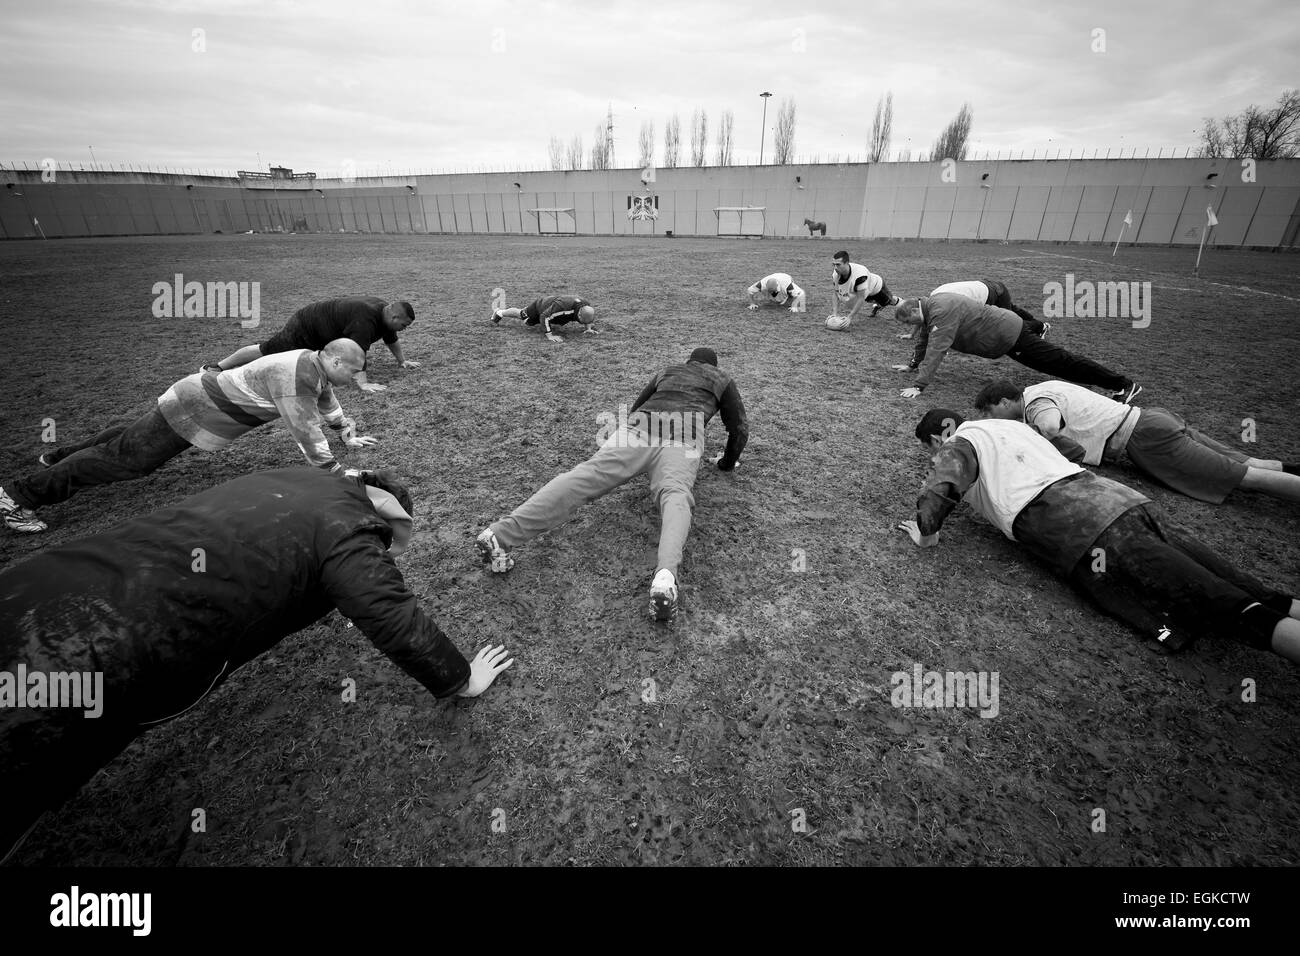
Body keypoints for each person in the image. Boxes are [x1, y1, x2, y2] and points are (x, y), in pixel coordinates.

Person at [0, 466, 513, 862]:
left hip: (43, 581)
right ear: (385, 515)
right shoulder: (348, 527)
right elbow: (390, 615)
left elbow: (266, 545)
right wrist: (460, 679)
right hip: (97, 648)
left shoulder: (293, 482)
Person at [898, 409, 1300, 665]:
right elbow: (1070, 447)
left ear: (940, 435)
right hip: (1117, 496)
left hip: (1084, 524)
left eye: (932, 447)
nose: (935, 453)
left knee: (1225, 603)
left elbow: (942, 484)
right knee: (1241, 583)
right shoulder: (1009, 425)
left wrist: (927, 534)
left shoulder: (959, 442)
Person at [475, 347, 748, 622]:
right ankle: (665, 577)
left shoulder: (668, 371)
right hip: (684, 438)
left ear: (689, 361)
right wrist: (727, 463)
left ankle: (501, 534)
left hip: (638, 429)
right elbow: (739, 429)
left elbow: (637, 407)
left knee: (585, 475)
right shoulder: (721, 378)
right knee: (675, 495)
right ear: (713, 365)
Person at [1, 340, 378, 533]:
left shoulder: (313, 364)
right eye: (355, 372)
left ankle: (57, 456)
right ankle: (19, 497)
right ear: (335, 361)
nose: (357, 378)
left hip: (193, 396)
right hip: (197, 409)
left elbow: (325, 402)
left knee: (131, 436)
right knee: (128, 460)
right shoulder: (298, 376)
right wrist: (334, 471)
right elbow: (304, 428)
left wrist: (345, 432)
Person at [972, 378, 1300, 504]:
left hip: (1146, 437)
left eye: (990, 413)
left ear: (1003, 403)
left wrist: (1030, 443)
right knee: (1249, 462)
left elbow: (1051, 426)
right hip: (1152, 419)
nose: (992, 421)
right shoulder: (1041, 387)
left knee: (1245, 478)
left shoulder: (1035, 404)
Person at [889, 293, 1141, 401]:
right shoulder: (930, 307)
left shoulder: (940, 312)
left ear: (913, 309)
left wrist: (919, 385)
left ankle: (1123, 384)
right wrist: (912, 365)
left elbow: (936, 349)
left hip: (1010, 334)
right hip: (1006, 334)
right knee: (1055, 363)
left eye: (909, 320)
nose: (912, 325)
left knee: (1061, 361)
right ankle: (1114, 383)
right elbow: (925, 338)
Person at [201, 296, 419, 393]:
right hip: (307, 326)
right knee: (267, 350)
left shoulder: (385, 316)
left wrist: (402, 361)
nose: (404, 329)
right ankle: (218, 367)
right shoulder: (366, 320)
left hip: (325, 331)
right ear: (393, 315)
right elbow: (357, 352)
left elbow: (392, 339)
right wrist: (363, 383)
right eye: (404, 325)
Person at [826, 250, 900, 329]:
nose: (835, 268)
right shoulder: (836, 274)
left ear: (847, 263)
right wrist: (834, 314)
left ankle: (902, 303)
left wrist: (849, 317)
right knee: (868, 299)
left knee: (889, 301)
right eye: (833, 264)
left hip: (876, 287)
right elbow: (835, 294)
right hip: (861, 291)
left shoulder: (860, 275)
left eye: (838, 264)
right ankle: (878, 305)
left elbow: (861, 298)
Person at [491, 295, 598, 342]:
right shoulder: (563, 307)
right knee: (522, 315)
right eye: (584, 322)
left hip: (553, 309)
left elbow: (588, 317)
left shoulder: (586, 306)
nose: (586, 323)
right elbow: (544, 316)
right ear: (579, 315)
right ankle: (500, 312)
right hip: (541, 306)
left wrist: (588, 328)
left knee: (544, 318)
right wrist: (549, 335)